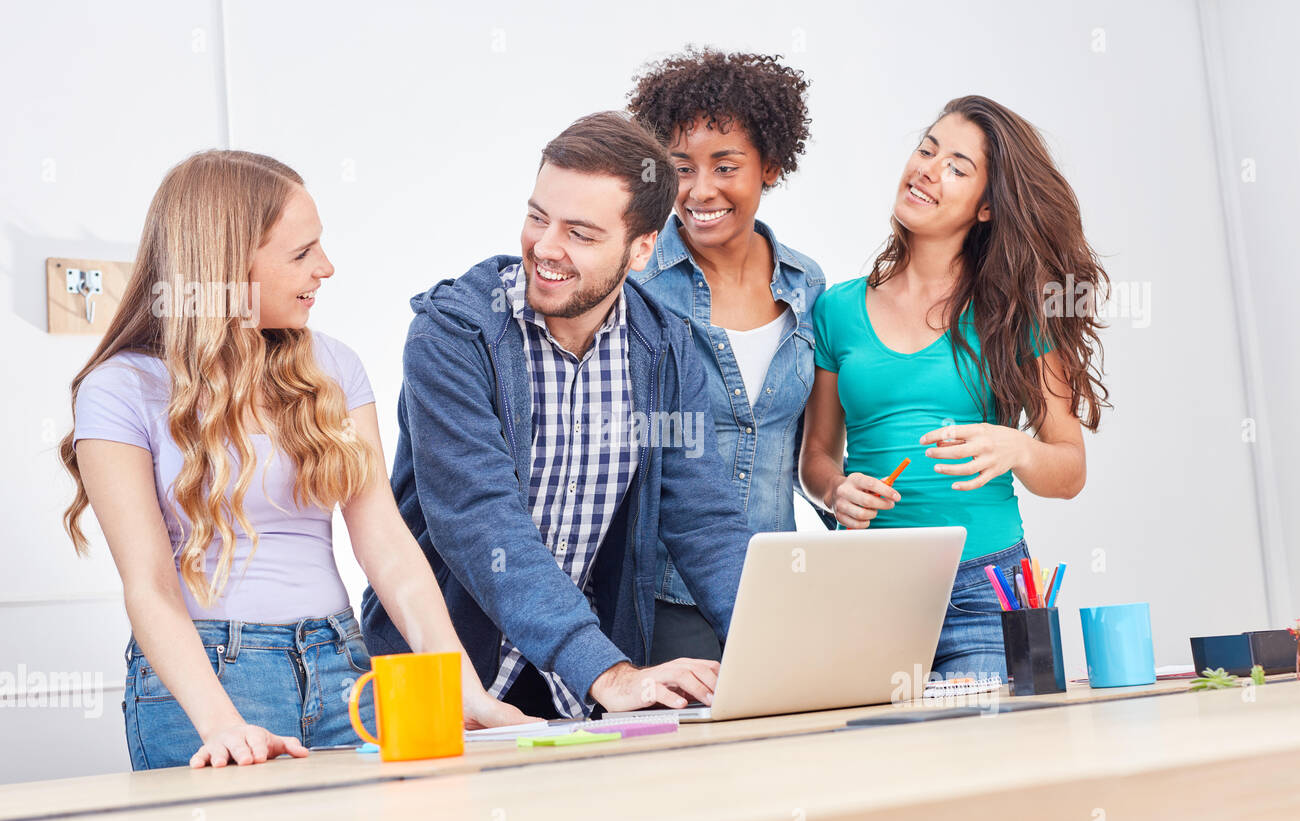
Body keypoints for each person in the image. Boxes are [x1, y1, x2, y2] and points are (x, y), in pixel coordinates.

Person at [63, 150, 528, 770]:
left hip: (340, 663)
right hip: (205, 683)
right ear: (230, 264)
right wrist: (224, 725)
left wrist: (460, 686)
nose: (327, 268)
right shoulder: (121, 389)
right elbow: (148, 585)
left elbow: (385, 541)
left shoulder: (332, 365)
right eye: (302, 253)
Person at [360, 112, 755, 720]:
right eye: (538, 217)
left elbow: (703, 524)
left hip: (575, 694)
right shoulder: (454, 336)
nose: (546, 248)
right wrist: (607, 671)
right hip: (450, 681)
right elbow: (481, 520)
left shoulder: (668, 351)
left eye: (581, 233)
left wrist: (777, 650)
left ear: (642, 249)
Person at [800, 95, 1109, 681]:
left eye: (957, 167)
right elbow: (815, 457)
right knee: (876, 761)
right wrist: (836, 492)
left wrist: (1018, 449)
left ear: (987, 206)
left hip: (984, 584)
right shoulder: (837, 308)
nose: (927, 168)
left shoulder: (1017, 313)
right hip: (866, 584)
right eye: (926, 149)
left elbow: (1069, 470)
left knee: (980, 754)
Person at [627, 47, 832, 664]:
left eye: (726, 166)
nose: (700, 190)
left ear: (769, 166)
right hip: (666, 594)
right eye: (681, 167)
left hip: (779, 587)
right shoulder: (636, 282)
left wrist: (840, 491)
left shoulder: (806, 284)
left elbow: (807, 456)